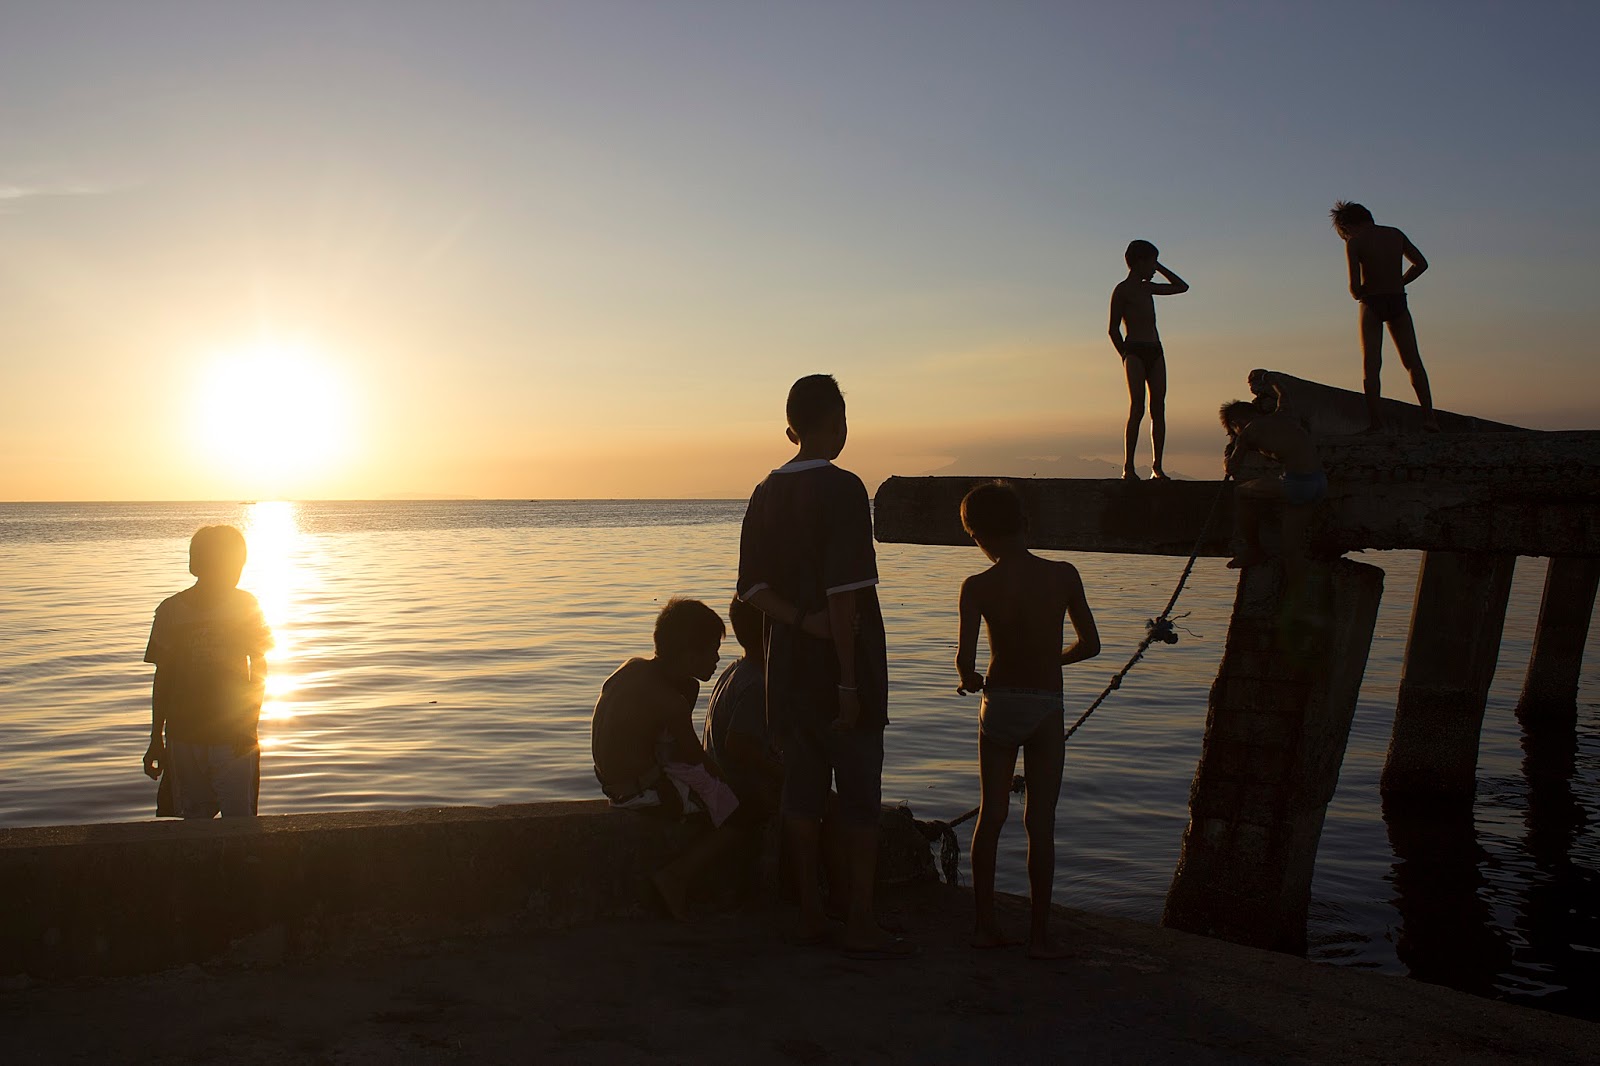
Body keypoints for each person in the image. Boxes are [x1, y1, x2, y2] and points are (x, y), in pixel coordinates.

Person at [737, 373, 910, 958]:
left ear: (791, 429)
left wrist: (798, 622)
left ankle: (810, 912)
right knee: (859, 799)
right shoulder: (844, 489)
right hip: (844, 670)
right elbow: (844, 595)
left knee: (801, 796)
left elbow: (751, 588)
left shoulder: (764, 492)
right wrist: (849, 681)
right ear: (837, 422)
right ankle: (859, 918)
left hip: (787, 672)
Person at [954, 481, 1100, 959]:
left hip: (998, 703)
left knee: (991, 816)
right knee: (1041, 821)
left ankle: (984, 927)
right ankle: (1039, 938)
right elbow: (1091, 645)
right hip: (1045, 704)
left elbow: (965, 662)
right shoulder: (1063, 575)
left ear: (978, 535)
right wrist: (1051, 660)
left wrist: (971, 679)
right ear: (1024, 524)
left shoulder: (977, 586)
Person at [591, 597, 746, 921]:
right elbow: (694, 756)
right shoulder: (670, 701)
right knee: (742, 816)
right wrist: (729, 782)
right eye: (713, 651)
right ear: (689, 655)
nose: (718, 659)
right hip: (641, 794)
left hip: (616, 785)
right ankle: (676, 876)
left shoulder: (633, 668)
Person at [142, 524, 273, 819]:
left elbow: (259, 669)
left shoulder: (245, 606)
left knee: (237, 825)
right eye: (233, 563)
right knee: (195, 825)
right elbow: (163, 678)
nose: (237, 571)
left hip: (231, 737)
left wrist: (247, 726)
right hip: (186, 738)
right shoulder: (170, 611)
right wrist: (156, 738)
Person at [1330, 200, 1439, 433]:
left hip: (1372, 303)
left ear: (1347, 227)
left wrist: (1360, 292)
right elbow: (1421, 264)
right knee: (1413, 362)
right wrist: (1399, 281)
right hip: (1398, 300)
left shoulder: (1355, 243)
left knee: (1371, 365)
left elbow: (1354, 288)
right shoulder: (1395, 234)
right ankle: (1429, 418)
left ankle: (1376, 423)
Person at [1220, 379, 1328, 578]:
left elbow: (1232, 468)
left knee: (1241, 492)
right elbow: (1284, 393)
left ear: (1236, 424)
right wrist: (1270, 380)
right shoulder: (1284, 414)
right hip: (1319, 483)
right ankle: (1299, 588)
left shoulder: (1248, 432)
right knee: (1291, 548)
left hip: (1297, 485)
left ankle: (1253, 549)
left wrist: (1232, 449)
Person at [1108, 239, 1189, 480]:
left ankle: (1157, 467)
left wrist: (1159, 266)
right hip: (1134, 351)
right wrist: (1125, 355)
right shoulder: (1122, 290)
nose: (1154, 268)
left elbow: (1181, 287)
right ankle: (1128, 467)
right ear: (1139, 262)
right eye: (1152, 262)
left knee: (1158, 408)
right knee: (1137, 408)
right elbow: (1113, 329)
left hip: (1155, 350)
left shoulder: (1148, 288)